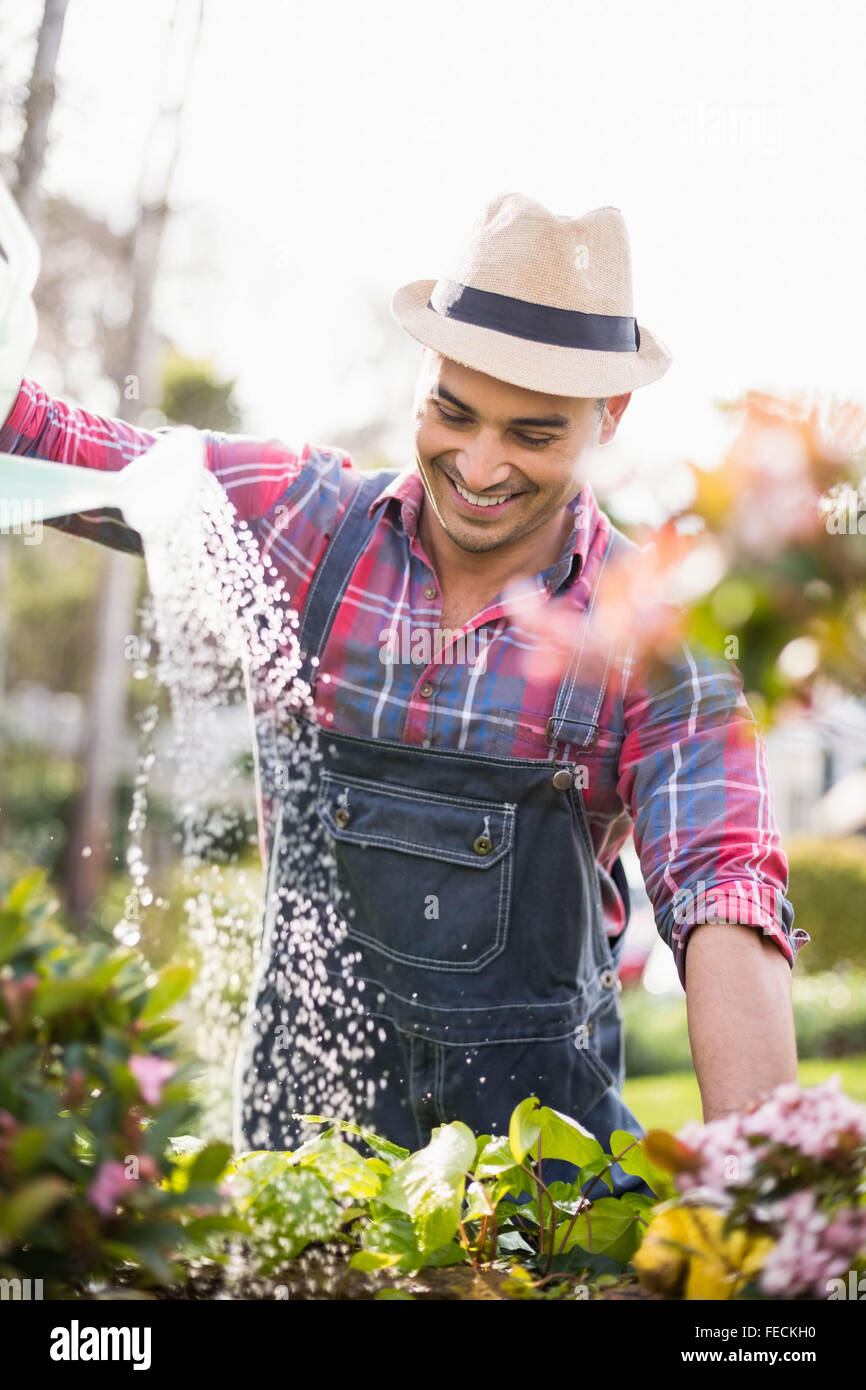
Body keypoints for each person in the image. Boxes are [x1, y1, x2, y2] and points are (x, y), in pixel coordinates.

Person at [0, 191, 805, 1193]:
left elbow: (723, 891)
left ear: (611, 417)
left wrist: (765, 1194)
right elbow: (49, 441)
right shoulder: (304, 523)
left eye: (532, 434)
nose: (476, 466)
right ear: (422, 374)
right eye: (450, 412)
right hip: (303, 1178)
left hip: (536, 1197)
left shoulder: (659, 641)